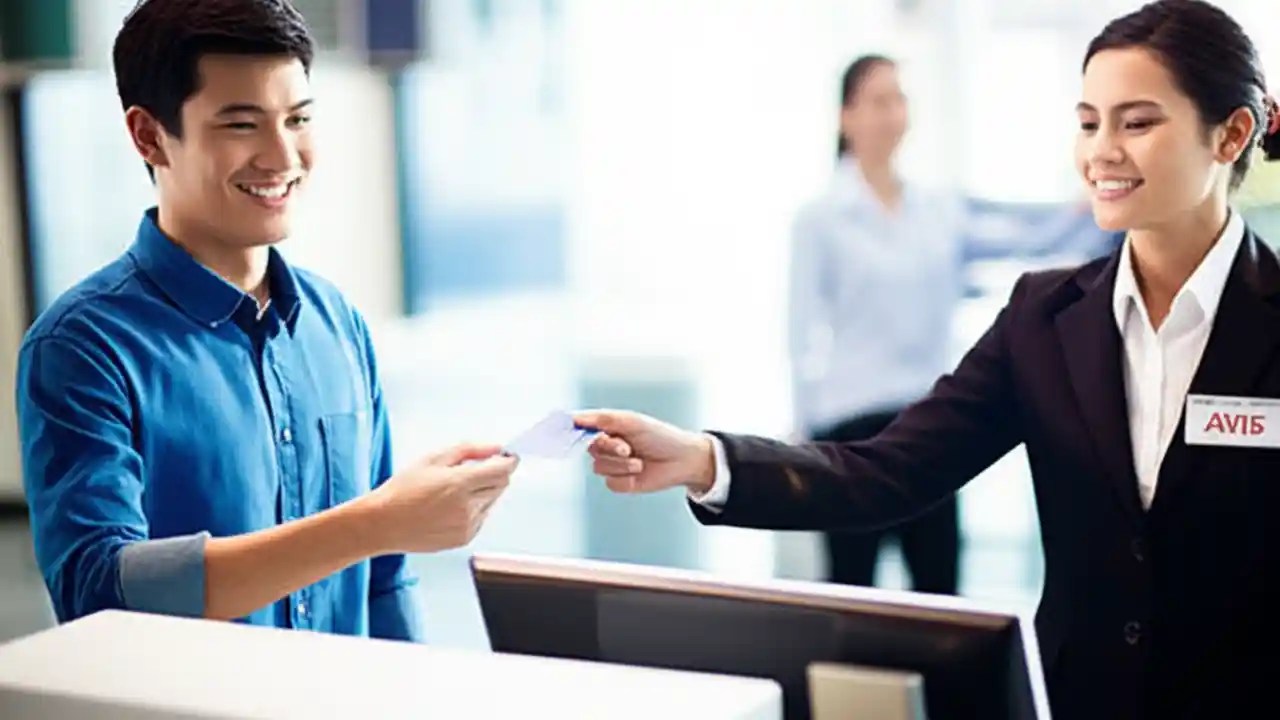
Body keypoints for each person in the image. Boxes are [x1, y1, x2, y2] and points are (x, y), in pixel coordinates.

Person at [578, 0, 1280, 717]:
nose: (1102, 150)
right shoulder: (1045, 319)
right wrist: (704, 459)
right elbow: (888, 471)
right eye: (1089, 121)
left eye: (1137, 122)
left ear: (1231, 135)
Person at [15, 0, 517, 639]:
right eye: (241, 125)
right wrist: (374, 521)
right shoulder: (83, 347)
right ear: (148, 136)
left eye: (298, 119)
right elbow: (97, 591)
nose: (283, 157)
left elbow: (384, 577)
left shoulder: (337, 324)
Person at [789, 54, 962, 594]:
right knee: (851, 595)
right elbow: (799, 334)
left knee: (942, 596)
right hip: (851, 432)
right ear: (847, 117)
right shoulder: (821, 216)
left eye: (900, 100)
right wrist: (807, 433)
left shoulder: (937, 209)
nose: (894, 114)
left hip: (927, 423)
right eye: (880, 101)